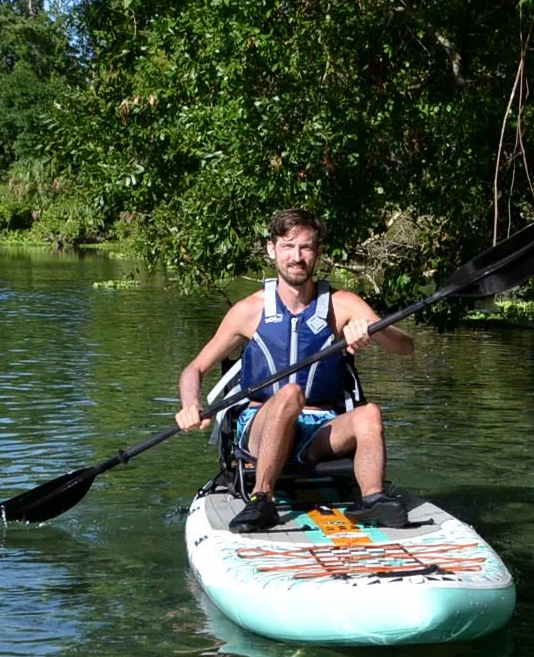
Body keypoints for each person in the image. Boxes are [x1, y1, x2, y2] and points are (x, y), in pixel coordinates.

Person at [172, 208, 415, 531]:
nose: (297, 257)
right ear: (272, 250)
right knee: (290, 394)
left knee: (369, 413)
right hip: (261, 424)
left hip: (321, 429)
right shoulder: (249, 310)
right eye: (288, 247)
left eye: (306, 248)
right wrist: (191, 404)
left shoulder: (343, 304)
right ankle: (262, 499)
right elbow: (195, 369)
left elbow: (405, 347)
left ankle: (373, 501)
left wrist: (373, 328)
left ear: (318, 253)